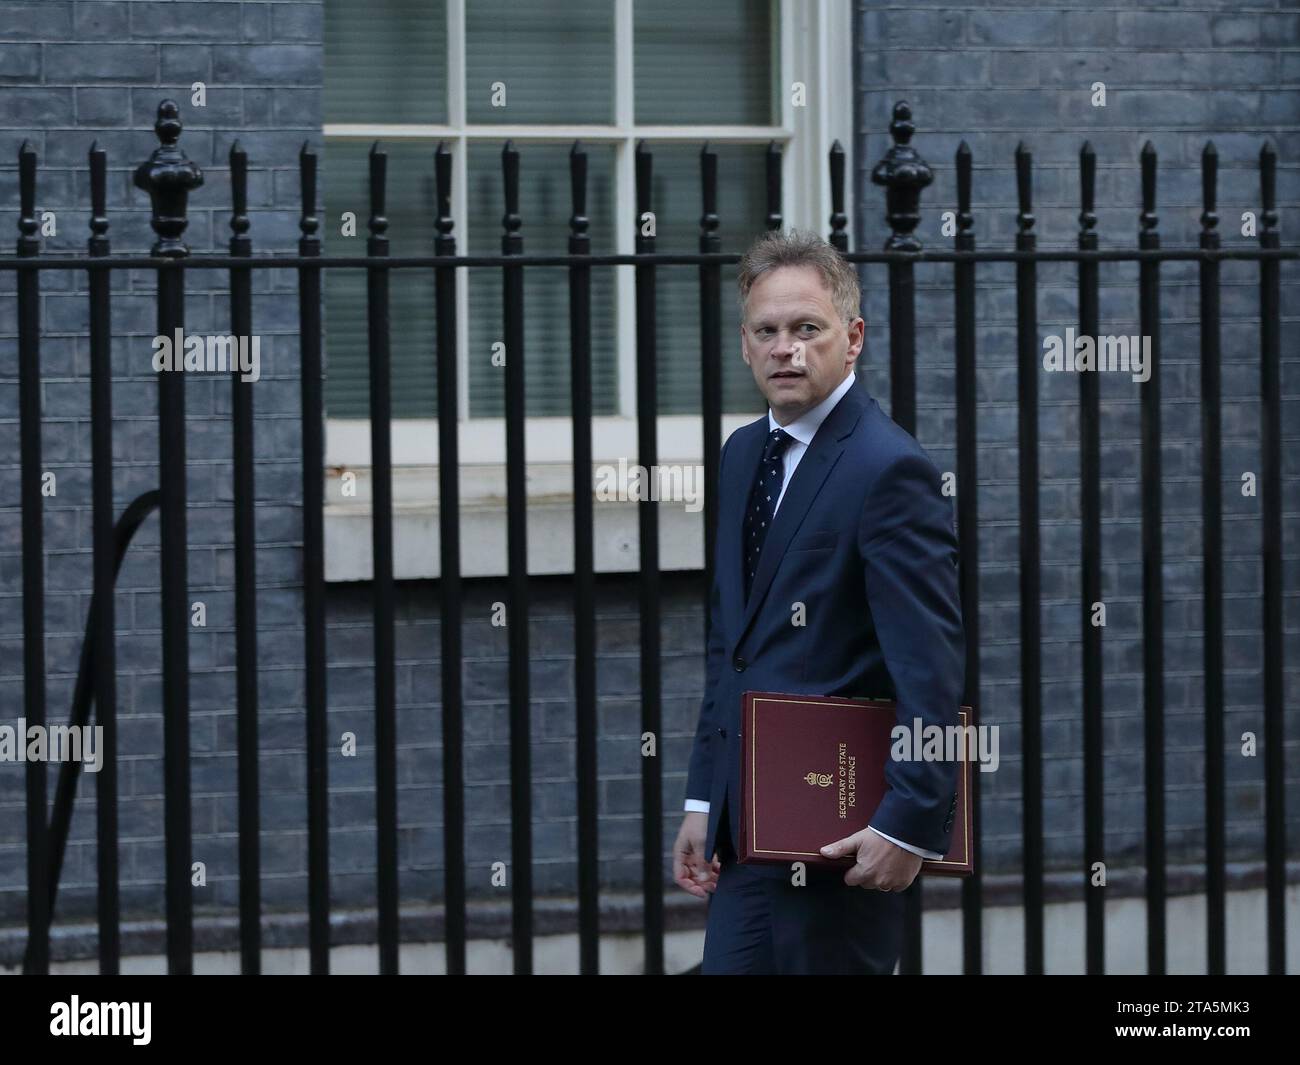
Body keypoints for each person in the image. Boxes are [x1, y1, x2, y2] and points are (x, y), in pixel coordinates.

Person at [672, 229, 965, 975]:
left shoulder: (889, 469)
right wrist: (706, 801)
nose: (786, 349)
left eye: (808, 328)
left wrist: (908, 823)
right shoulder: (742, 453)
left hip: (841, 838)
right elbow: (730, 644)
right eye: (767, 331)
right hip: (748, 835)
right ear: (745, 344)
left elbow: (930, 670)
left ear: (853, 336)